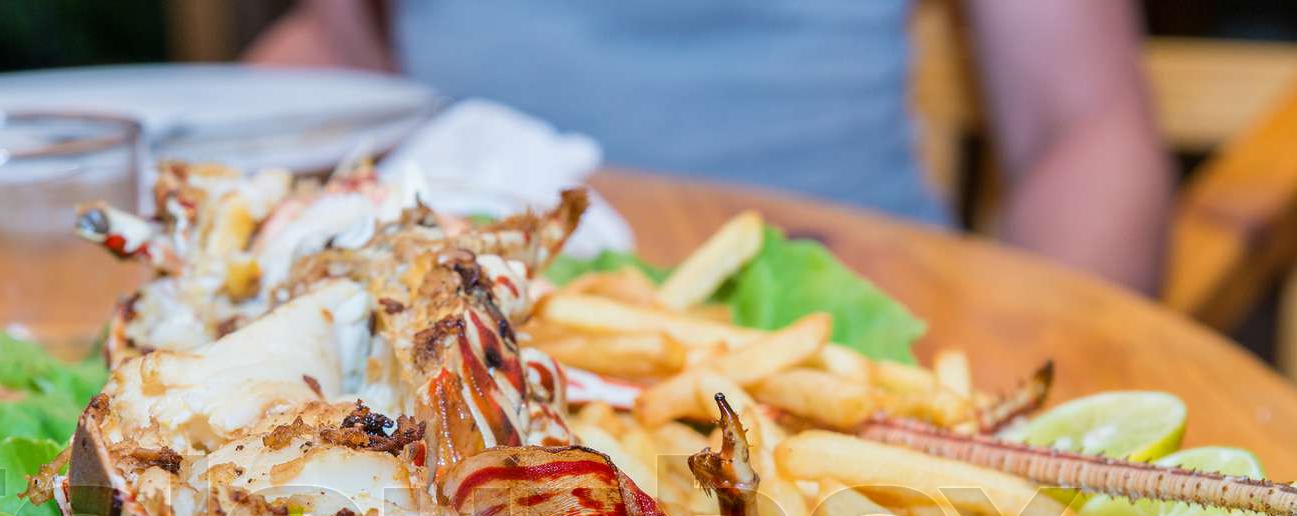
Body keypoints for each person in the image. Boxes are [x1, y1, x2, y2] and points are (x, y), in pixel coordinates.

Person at [246, 0, 1173, 293]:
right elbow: (339, 42)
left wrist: (1050, 389)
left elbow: (1082, 123)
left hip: (852, 320)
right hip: (457, 301)